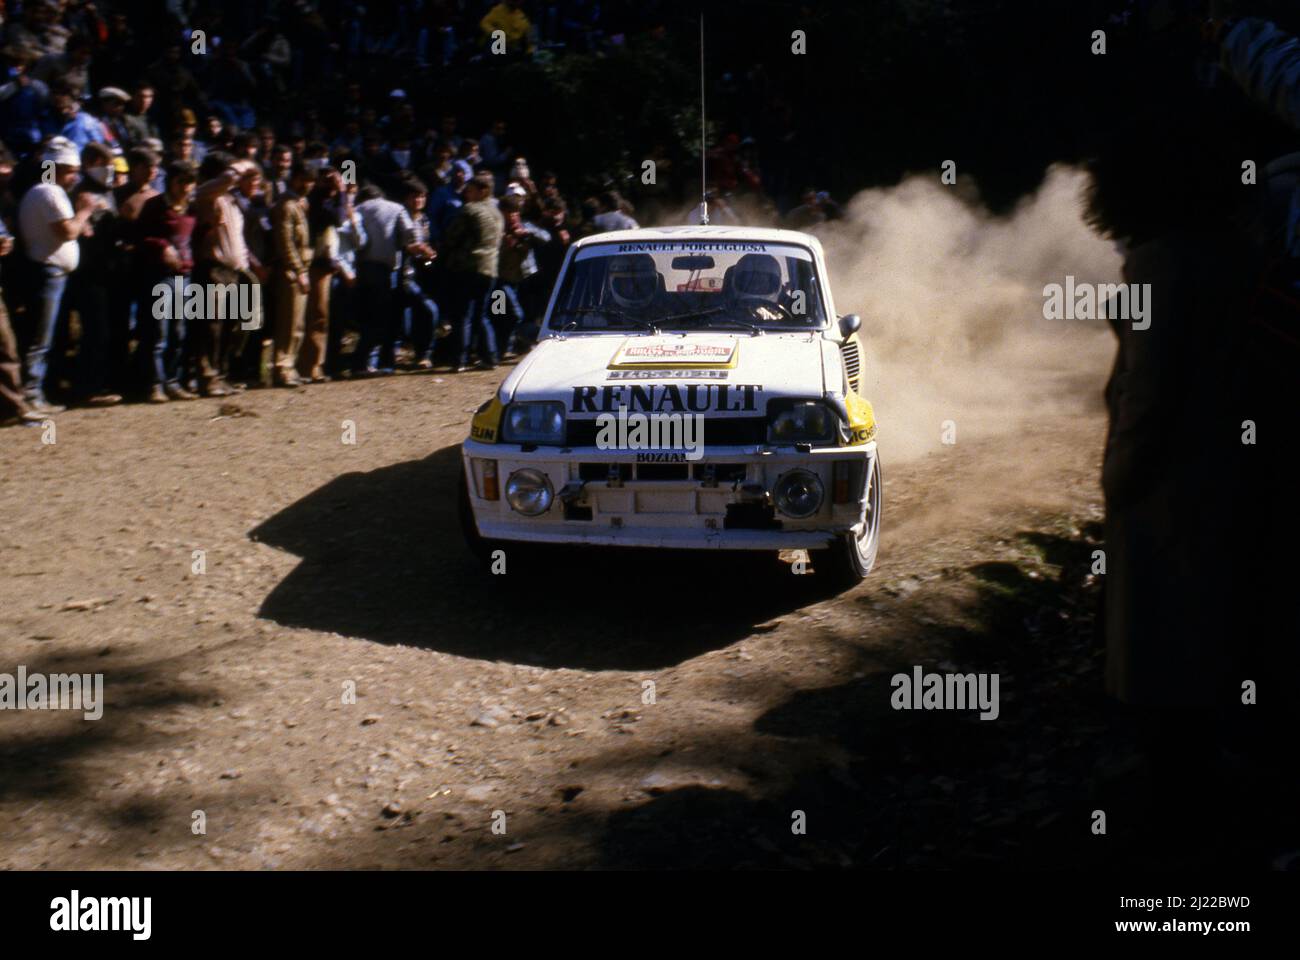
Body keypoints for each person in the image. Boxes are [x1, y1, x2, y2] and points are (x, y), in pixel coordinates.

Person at [17, 136, 100, 411]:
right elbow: (67, 231)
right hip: (48, 273)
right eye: (69, 170)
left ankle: (38, 390)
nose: (74, 176)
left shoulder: (43, 192)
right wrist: (85, 212)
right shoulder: (50, 192)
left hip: (50, 273)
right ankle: (32, 394)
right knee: (41, 338)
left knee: (46, 336)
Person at [191, 153, 262, 396]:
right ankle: (207, 377)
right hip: (212, 268)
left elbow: (238, 240)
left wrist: (245, 265)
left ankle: (221, 374)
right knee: (210, 326)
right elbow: (224, 180)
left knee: (233, 324)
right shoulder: (206, 194)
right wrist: (241, 166)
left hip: (234, 270)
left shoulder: (232, 200)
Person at [134, 161, 198, 402]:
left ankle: (173, 380)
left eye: (190, 182)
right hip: (159, 276)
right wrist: (162, 246)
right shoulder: (155, 206)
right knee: (158, 333)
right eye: (181, 181)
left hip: (185, 276)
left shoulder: (192, 208)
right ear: (171, 181)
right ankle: (154, 384)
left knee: (179, 333)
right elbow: (139, 237)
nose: (186, 187)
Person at [66, 141, 122, 406]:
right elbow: (84, 230)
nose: (108, 169)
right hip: (89, 272)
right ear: (88, 164)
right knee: (95, 331)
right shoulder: (82, 192)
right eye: (103, 163)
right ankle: (88, 388)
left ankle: (101, 382)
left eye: (111, 163)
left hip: (108, 271)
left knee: (107, 330)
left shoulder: (108, 191)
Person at [441, 172, 503, 371]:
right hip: (490, 267)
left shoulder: (469, 210)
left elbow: (452, 237)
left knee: (462, 315)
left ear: (482, 191)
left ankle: (459, 359)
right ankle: (489, 356)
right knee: (481, 315)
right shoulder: (497, 213)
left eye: (470, 190)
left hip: (467, 266)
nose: (466, 193)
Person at [352, 183, 417, 375]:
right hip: (385, 269)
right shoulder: (396, 208)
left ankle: (363, 362)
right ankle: (367, 362)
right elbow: (409, 234)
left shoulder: (357, 209)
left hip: (361, 268)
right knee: (381, 317)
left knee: (367, 316)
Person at [270, 160, 314, 387]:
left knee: (298, 323)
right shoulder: (287, 206)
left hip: (302, 267)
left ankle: (291, 365)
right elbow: (286, 243)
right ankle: (283, 367)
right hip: (291, 271)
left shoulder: (300, 203)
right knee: (289, 323)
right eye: (305, 180)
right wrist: (298, 270)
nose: (309, 185)